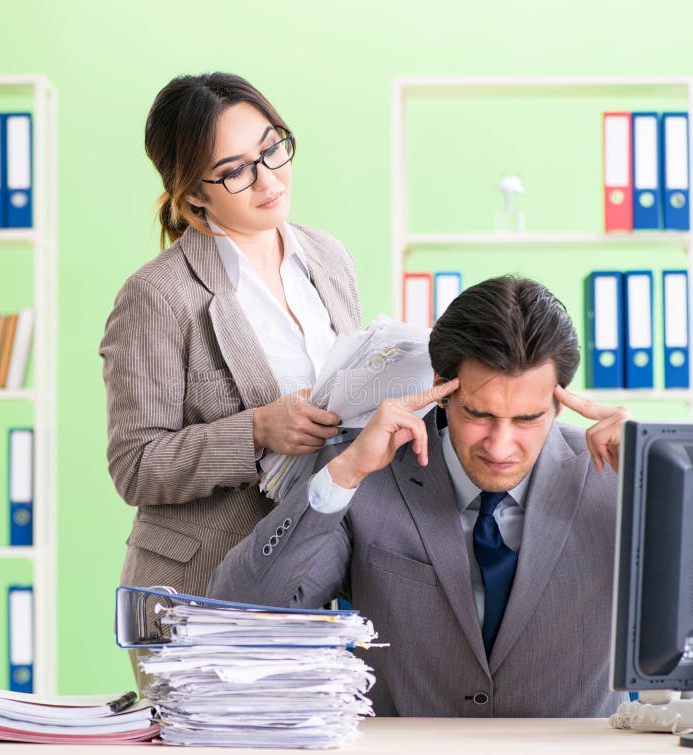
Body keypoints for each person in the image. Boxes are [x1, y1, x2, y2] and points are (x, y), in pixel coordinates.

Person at [209, 275, 631, 717]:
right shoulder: (370, 474)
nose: (500, 446)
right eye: (478, 414)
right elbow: (240, 616)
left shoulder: (615, 477)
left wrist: (657, 490)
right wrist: (344, 472)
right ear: (441, 388)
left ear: (560, 405)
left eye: (527, 419)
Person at [99, 72, 362, 604]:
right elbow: (135, 466)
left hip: (320, 572)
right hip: (202, 589)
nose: (268, 180)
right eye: (235, 172)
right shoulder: (158, 295)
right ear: (193, 192)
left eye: (271, 150)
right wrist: (257, 431)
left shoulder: (328, 257)